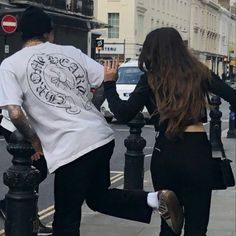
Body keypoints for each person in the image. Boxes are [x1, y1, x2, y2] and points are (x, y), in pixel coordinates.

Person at [0, 7, 184, 236]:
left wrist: (35, 140)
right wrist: (85, 109)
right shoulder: (71, 52)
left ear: (22, 34)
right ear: (50, 33)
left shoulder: (10, 64)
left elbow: (15, 113)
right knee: (98, 198)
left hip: (71, 147)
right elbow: (106, 78)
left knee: (66, 222)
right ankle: (156, 199)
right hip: (101, 137)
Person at [103, 27, 236, 236]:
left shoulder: (150, 78)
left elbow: (124, 113)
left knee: (170, 226)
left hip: (165, 153)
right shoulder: (199, 72)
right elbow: (233, 97)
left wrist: (110, 84)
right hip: (196, 152)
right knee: (197, 227)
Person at [0, 109, 52, 235]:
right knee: (32, 173)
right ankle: (31, 220)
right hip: (19, 129)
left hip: (27, 129)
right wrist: (30, 140)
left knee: (38, 172)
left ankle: (8, 205)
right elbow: (19, 111)